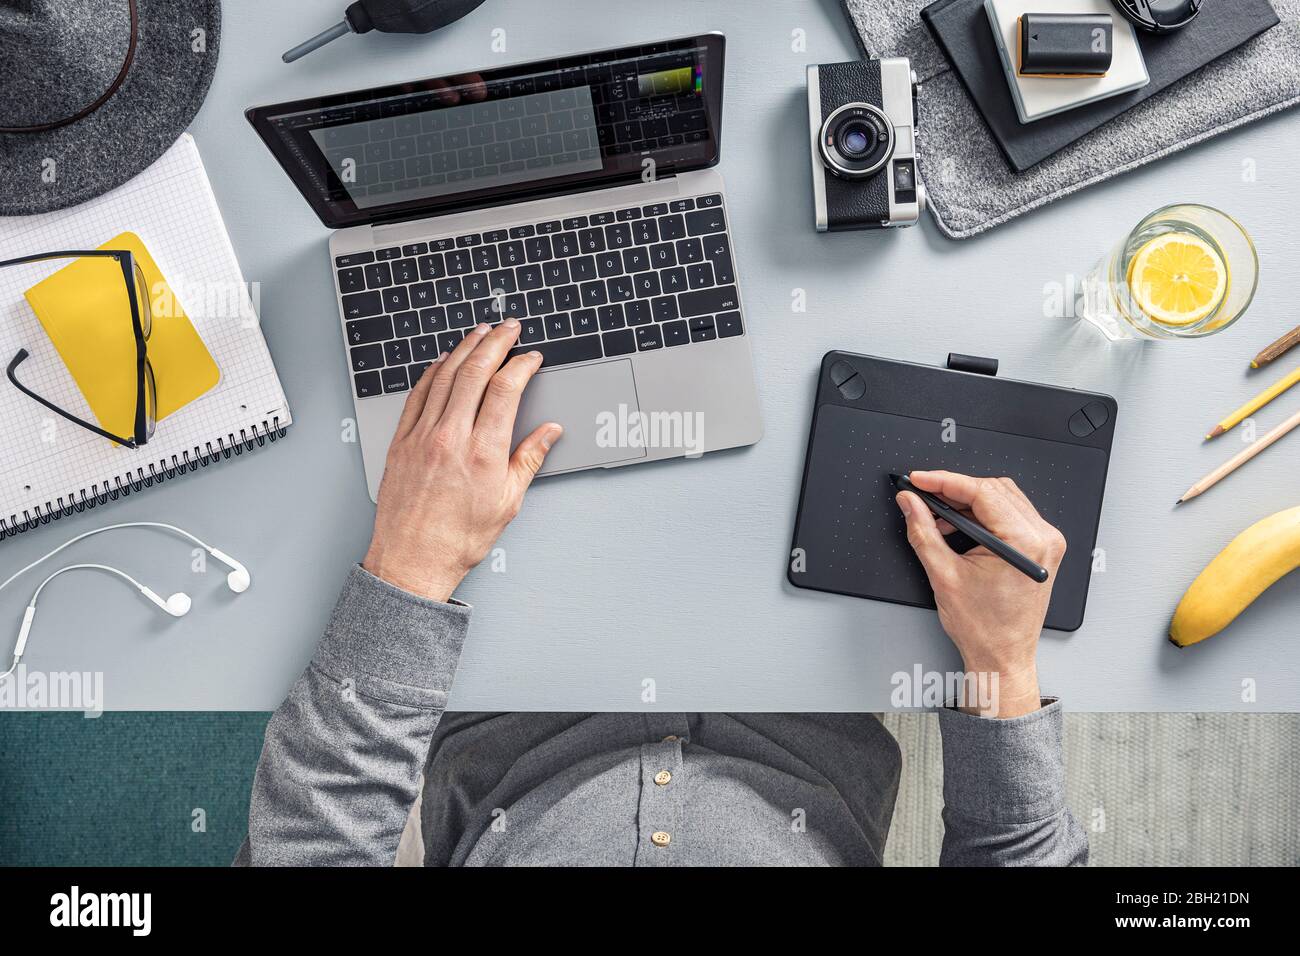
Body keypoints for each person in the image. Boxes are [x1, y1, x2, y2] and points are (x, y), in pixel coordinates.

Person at [235, 320, 1087, 866]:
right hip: (809, 699)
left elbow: (308, 850)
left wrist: (409, 564)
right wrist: (1001, 662)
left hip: (503, 690)